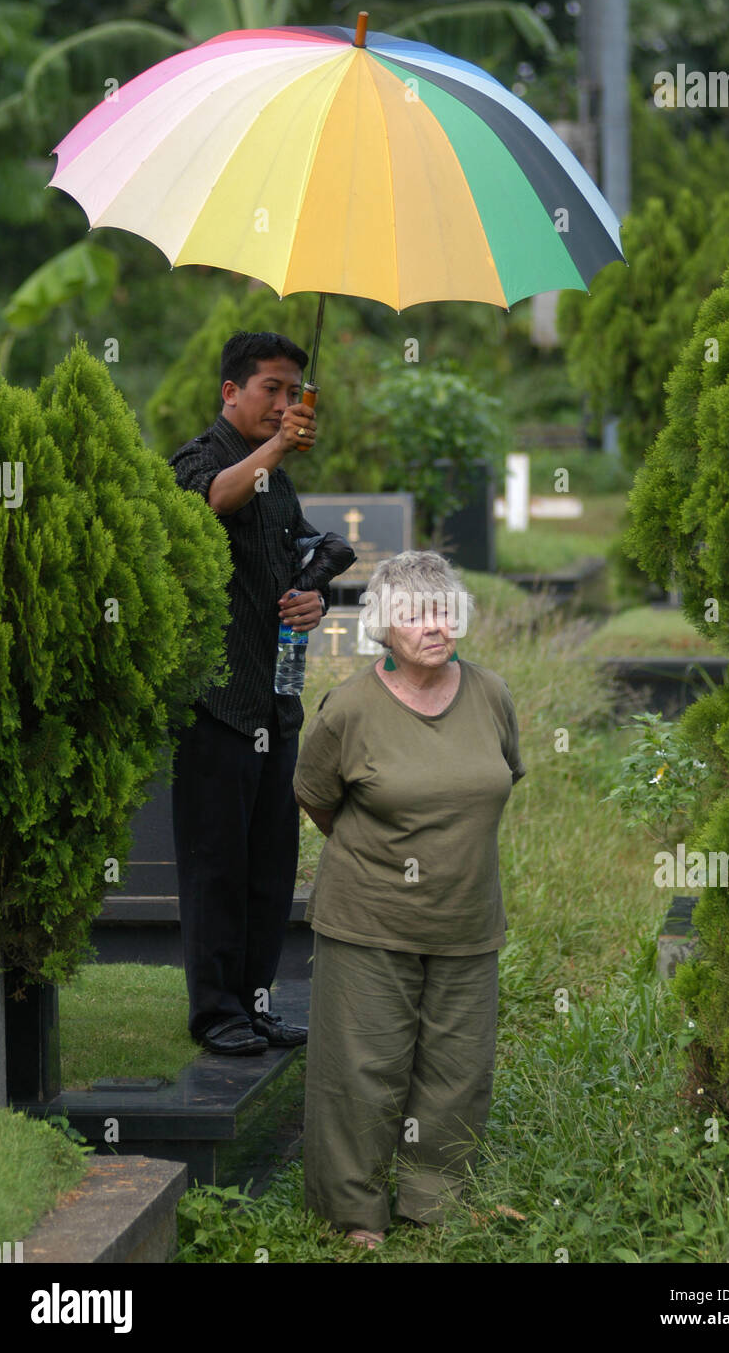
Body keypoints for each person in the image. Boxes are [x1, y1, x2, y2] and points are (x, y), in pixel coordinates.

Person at [293, 550, 526, 1247]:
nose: (436, 624)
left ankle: (436, 1201)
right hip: (368, 919)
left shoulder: (491, 694)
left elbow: (503, 776)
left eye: (445, 609)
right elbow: (315, 795)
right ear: (384, 628)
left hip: (467, 920)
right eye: (417, 613)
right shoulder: (351, 708)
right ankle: (352, 1213)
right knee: (360, 1069)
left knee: (458, 1070)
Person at [167, 330, 328, 1056]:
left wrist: (312, 596)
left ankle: (256, 1004)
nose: (285, 402)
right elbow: (213, 502)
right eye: (272, 387)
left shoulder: (282, 479)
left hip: (275, 702)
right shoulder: (200, 458)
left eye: (295, 390)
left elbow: (304, 553)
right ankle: (215, 1013)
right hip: (216, 707)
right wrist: (276, 451)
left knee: (269, 870)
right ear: (231, 391)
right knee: (216, 869)